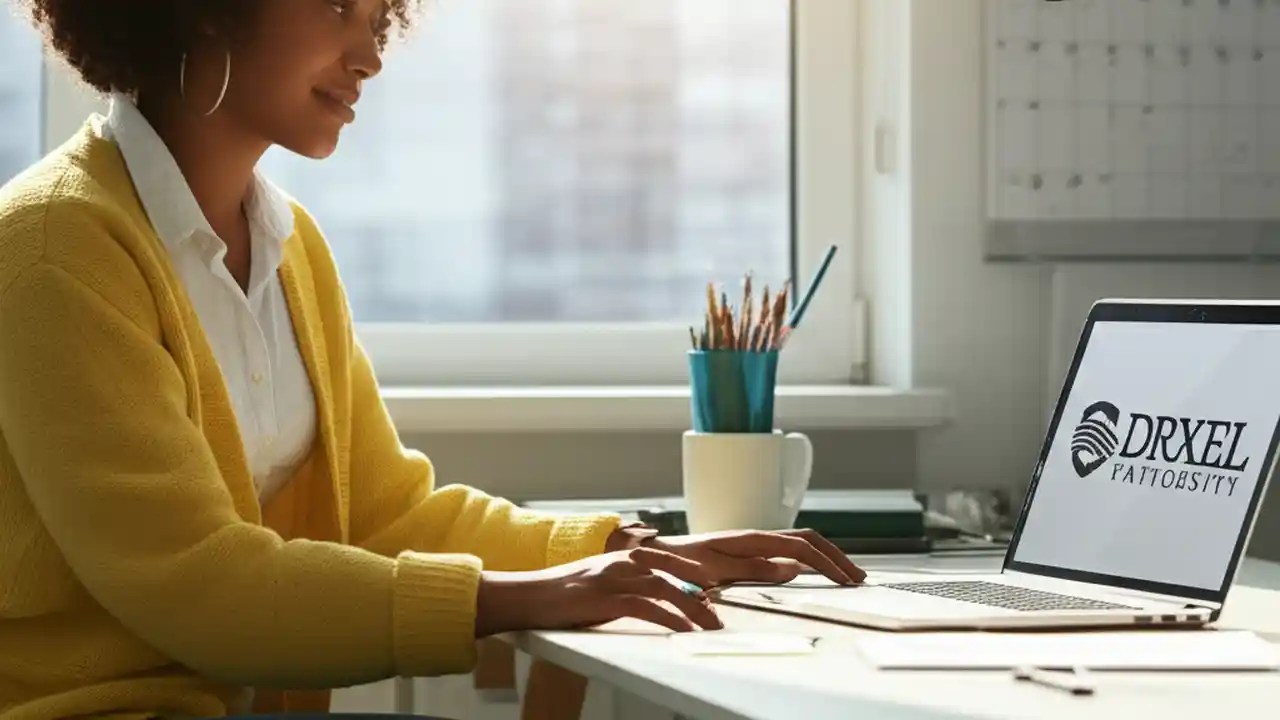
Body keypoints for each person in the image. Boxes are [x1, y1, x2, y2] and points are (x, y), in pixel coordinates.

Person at [0, 1, 866, 718]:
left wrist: (628, 548)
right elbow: (194, 581)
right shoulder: (54, 247)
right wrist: (527, 597)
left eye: (381, 19)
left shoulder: (289, 247)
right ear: (206, 10)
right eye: (341, 8)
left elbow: (386, 514)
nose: (369, 55)